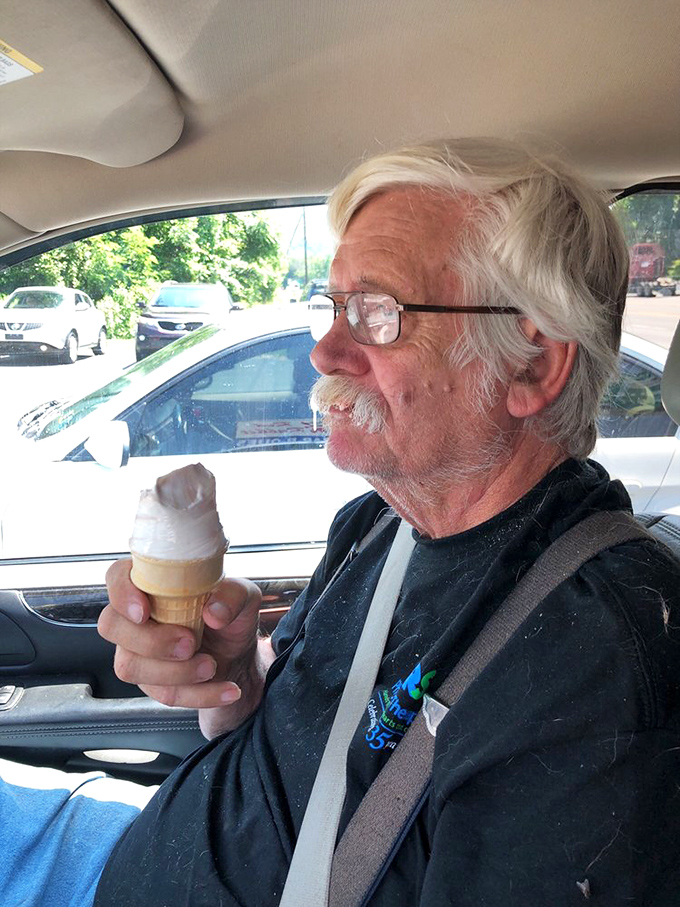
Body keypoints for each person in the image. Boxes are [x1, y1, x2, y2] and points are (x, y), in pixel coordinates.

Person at [5, 138, 680, 906]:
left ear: (532, 363)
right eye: (335, 305)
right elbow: (306, 753)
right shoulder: (380, 524)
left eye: (378, 312)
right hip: (136, 844)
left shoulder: (595, 657)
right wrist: (232, 678)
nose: (325, 350)